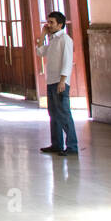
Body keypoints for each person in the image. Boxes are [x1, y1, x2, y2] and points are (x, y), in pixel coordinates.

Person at [36, 11, 78, 156]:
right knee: (53, 113)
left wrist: (63, 81)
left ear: (60, 25)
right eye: (48, 22)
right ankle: (56, 144)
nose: (49, 25)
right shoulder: (53, 39)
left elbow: (67, 62)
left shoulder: (65, 40)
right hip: (51, 81)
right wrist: (43, 34)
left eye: (52, 22)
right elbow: (40, 52)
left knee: (64, 114)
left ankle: (72, 146)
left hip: (60, 82)